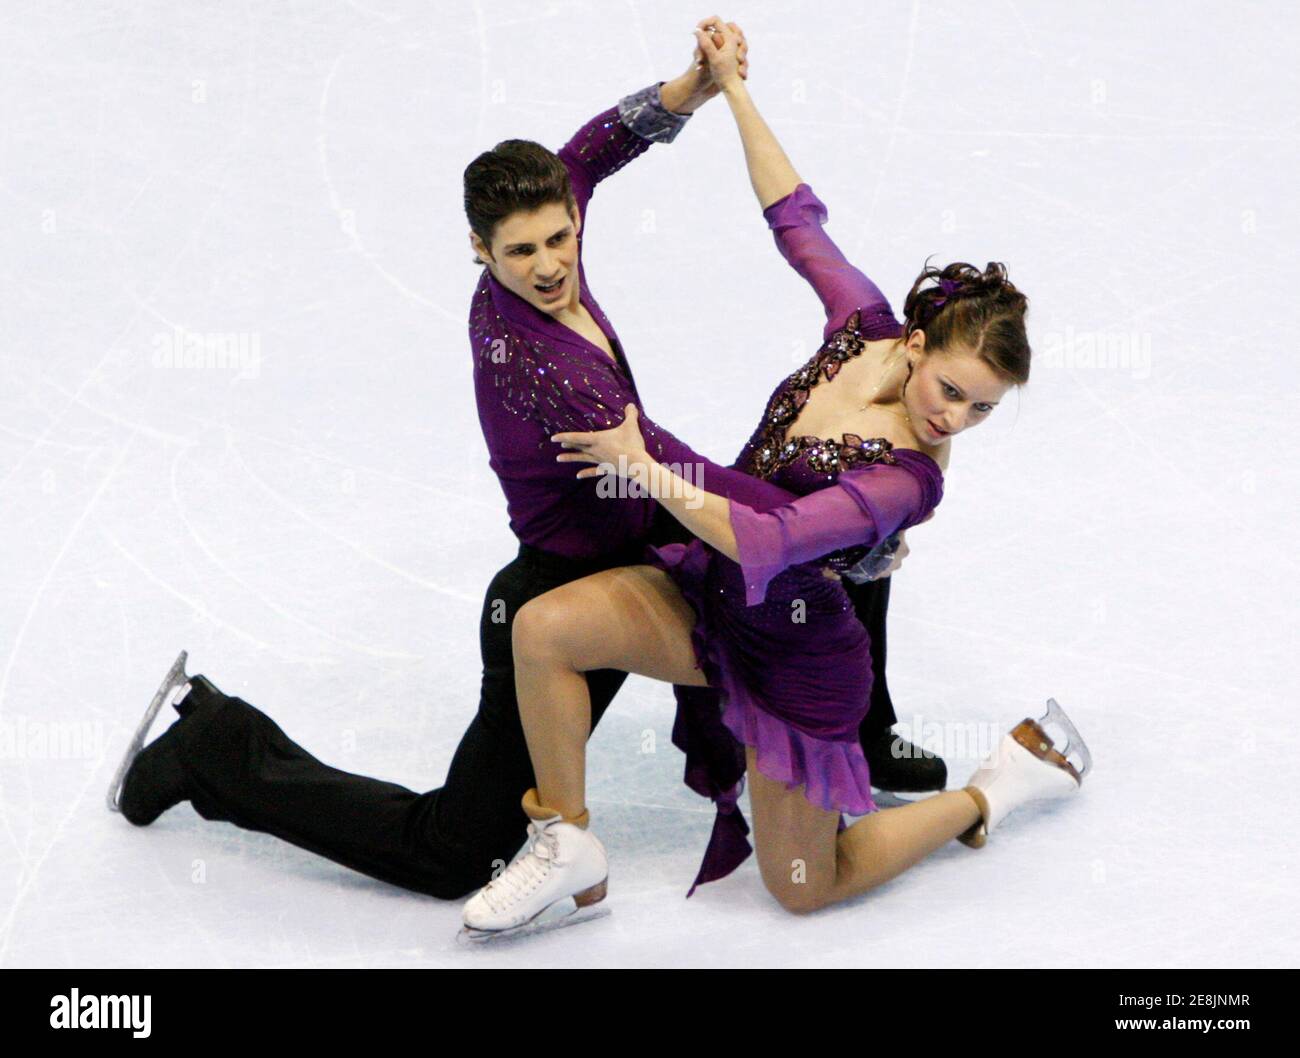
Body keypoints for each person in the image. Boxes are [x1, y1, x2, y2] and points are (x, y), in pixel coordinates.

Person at [460, 21, 1091, 934]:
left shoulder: (911, 479)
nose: (955, 420)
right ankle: (567, 844)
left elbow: (775, 537)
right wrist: (730, 89)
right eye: (953, 391)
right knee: (543, 628)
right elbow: (794, 215)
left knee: (802, 885)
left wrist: (642, 467)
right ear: (914, 344)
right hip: (710, 586)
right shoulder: (860, 324)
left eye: (982, 411)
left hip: (794, 649)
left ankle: (995, 790)